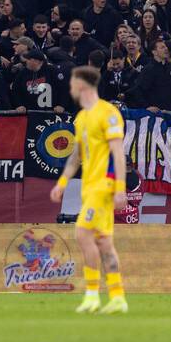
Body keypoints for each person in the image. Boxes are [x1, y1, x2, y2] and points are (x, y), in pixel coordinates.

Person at [50, 66, 129, 315]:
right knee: (104, 242)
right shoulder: (82, 118)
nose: (71, 88)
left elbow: (118, 152)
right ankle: (117, 297)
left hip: (104, 185)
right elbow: (76, 156)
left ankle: (92, 295)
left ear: (82, 85)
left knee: (83, 233)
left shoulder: (109, 113)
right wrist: (62, 183)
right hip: (89, 186)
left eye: (73, 83)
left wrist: (120, 188)